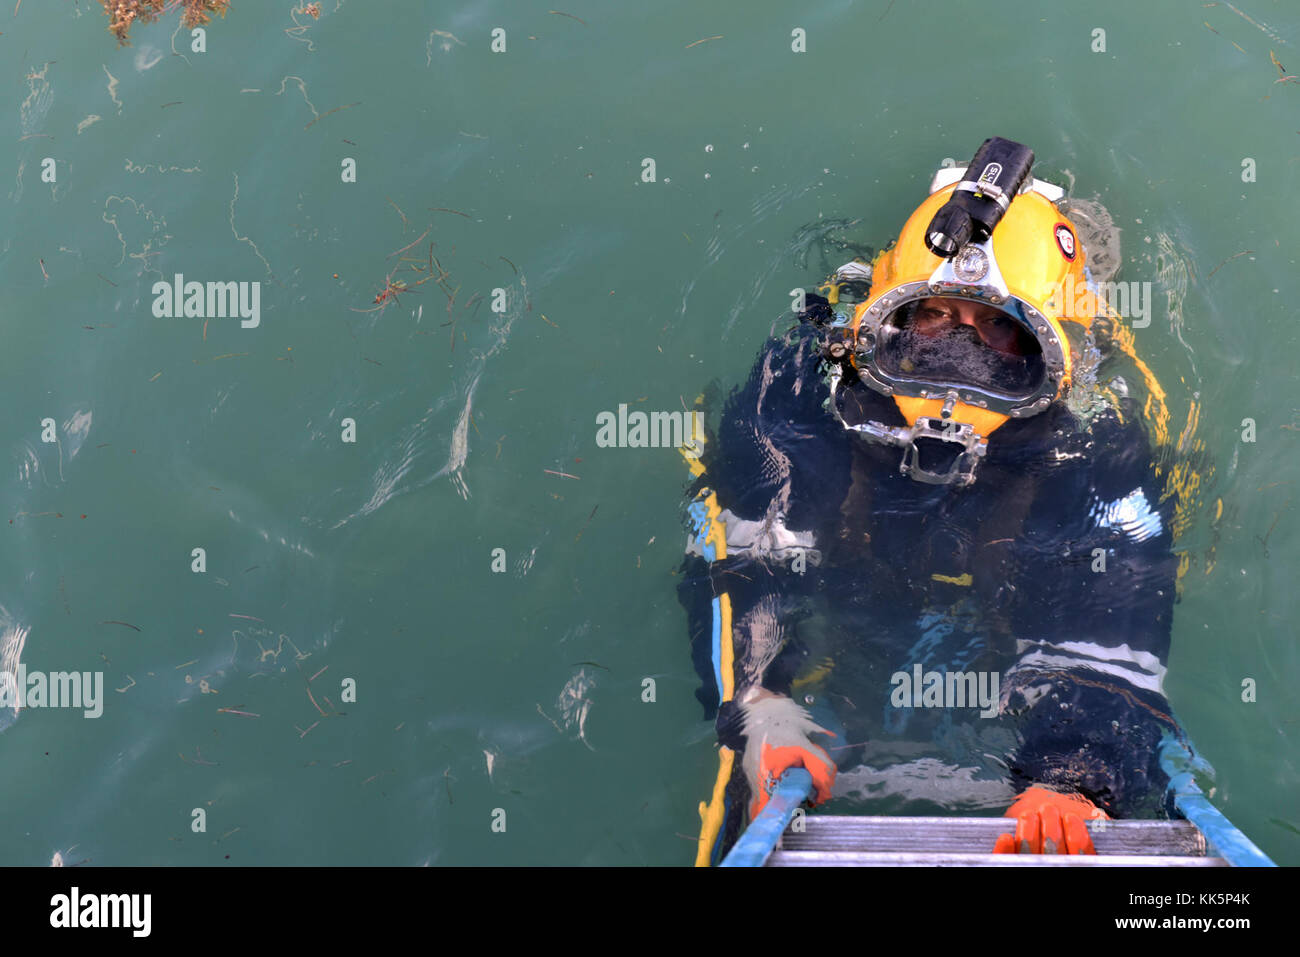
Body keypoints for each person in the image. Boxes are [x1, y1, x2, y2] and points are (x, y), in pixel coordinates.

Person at [679, 137, 1200, 865]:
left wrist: (1075, 774)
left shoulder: (1097, 443)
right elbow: (742, 559)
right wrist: (762, 705)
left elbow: (1114, 611)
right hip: (864, 577)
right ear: (882, 315)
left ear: (1054, 344)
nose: (960, 353)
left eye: (999, 327)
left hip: (1014, 570)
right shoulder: (798, 391)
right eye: (934, 317)